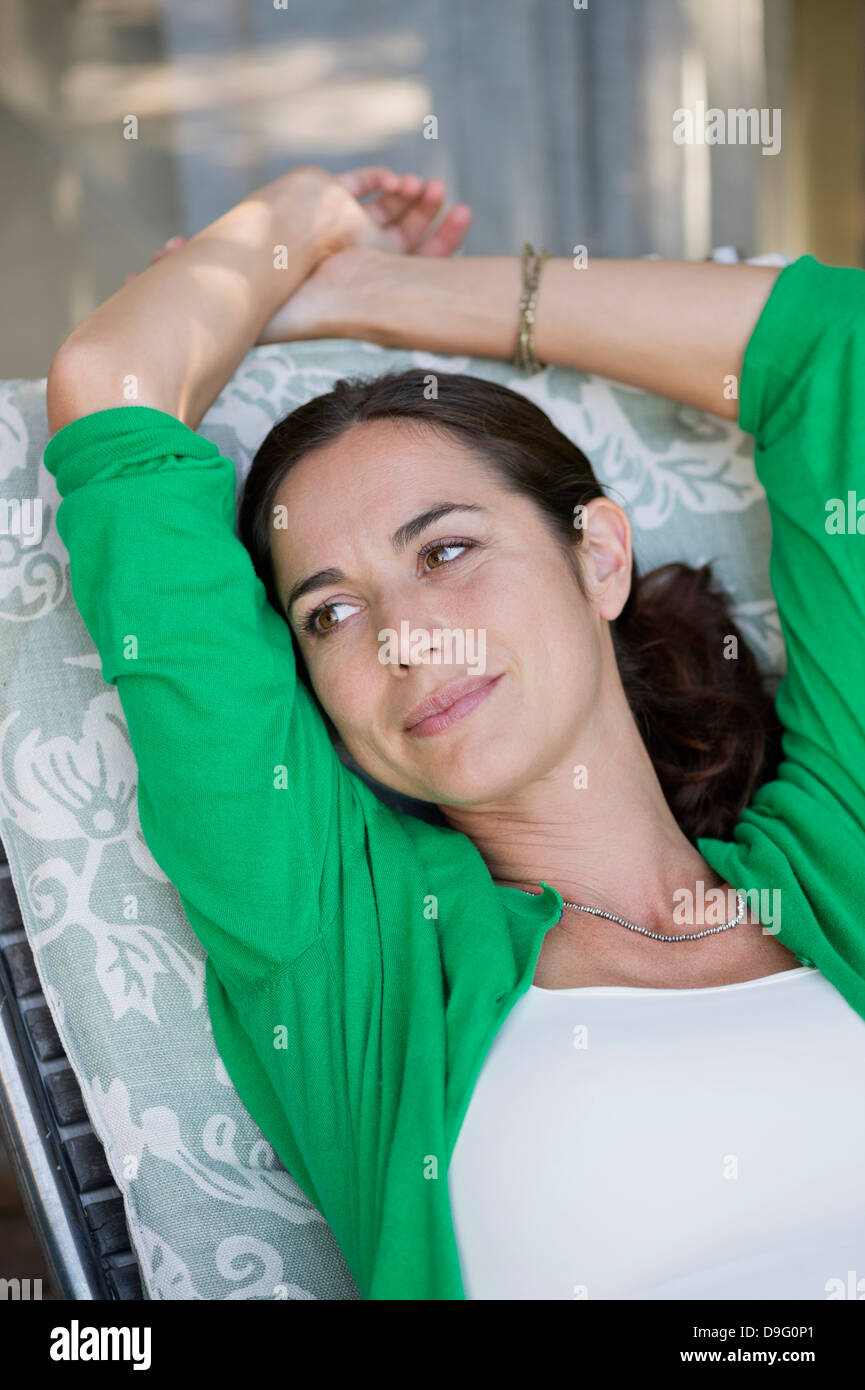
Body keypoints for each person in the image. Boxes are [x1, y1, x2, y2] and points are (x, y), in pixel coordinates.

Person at [44, 164, 865, 1301]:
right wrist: (304, 217)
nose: (403, 638)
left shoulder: (834, 860)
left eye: (445, 551)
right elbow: (111, 390)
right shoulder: (353, 953)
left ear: (599, 555)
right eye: (330, 612)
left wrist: (358, 291)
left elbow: (836, 350)